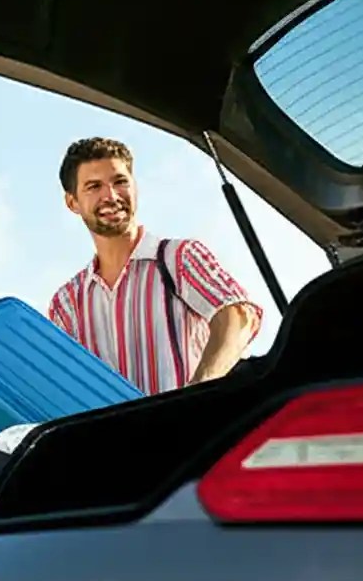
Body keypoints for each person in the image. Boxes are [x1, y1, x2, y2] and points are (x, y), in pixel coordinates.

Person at [47, 137, 263, 395]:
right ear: (72, 202)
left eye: (120, 181)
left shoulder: (178, 258)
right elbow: (64, 382)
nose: (111, 196)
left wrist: (200, 390)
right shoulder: (67, 303)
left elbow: (238, 315)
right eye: (94, 187)